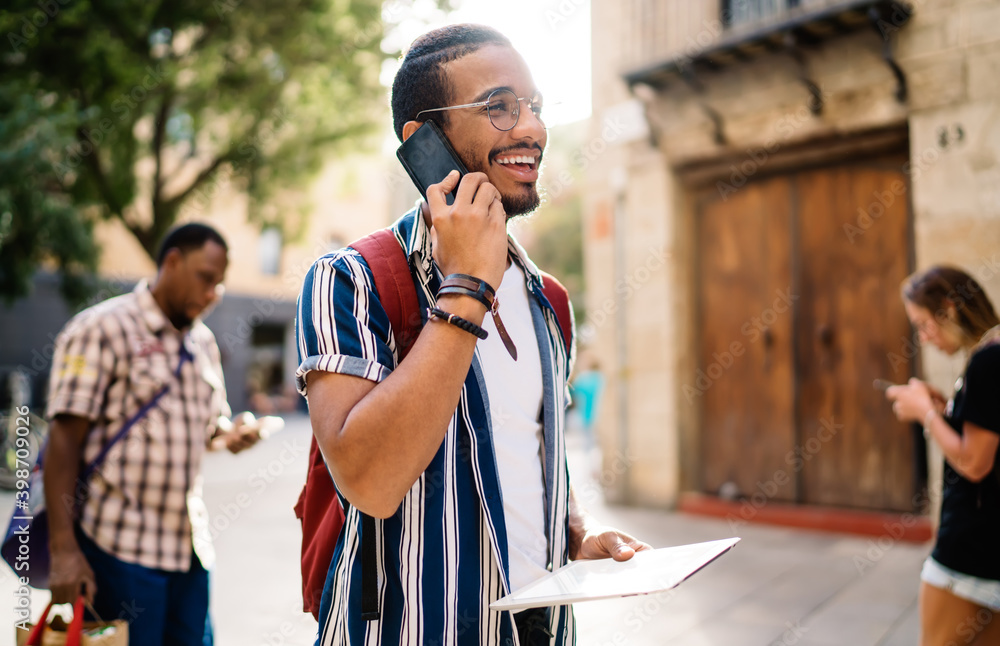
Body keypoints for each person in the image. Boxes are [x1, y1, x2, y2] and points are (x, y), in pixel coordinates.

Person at [296, 24, 650, 646]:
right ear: (424, 140)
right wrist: (466, 285)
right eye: (499, 107)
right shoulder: (349, 280)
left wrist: (575, 532)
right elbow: (371, 483)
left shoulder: (548, 299)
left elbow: (527, 452)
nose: (532, 128)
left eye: (535, 105)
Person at [44, 223, 264, 646]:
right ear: (173, 261)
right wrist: (64, 550)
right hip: (117, 552)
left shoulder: (203, 343)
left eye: (219, 284)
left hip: (190, 553)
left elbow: (210, 428)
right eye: (205, 278)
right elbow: (63, 440)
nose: (212, 294)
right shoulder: (101, 328)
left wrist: (232, 435)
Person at [885, 265, 1000, 645]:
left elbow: (975, 463)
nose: (923, 338)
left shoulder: (988, 361)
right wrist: (949, 410)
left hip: (971, 548)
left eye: (923, 325)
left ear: (949, 310)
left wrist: (925, 414)